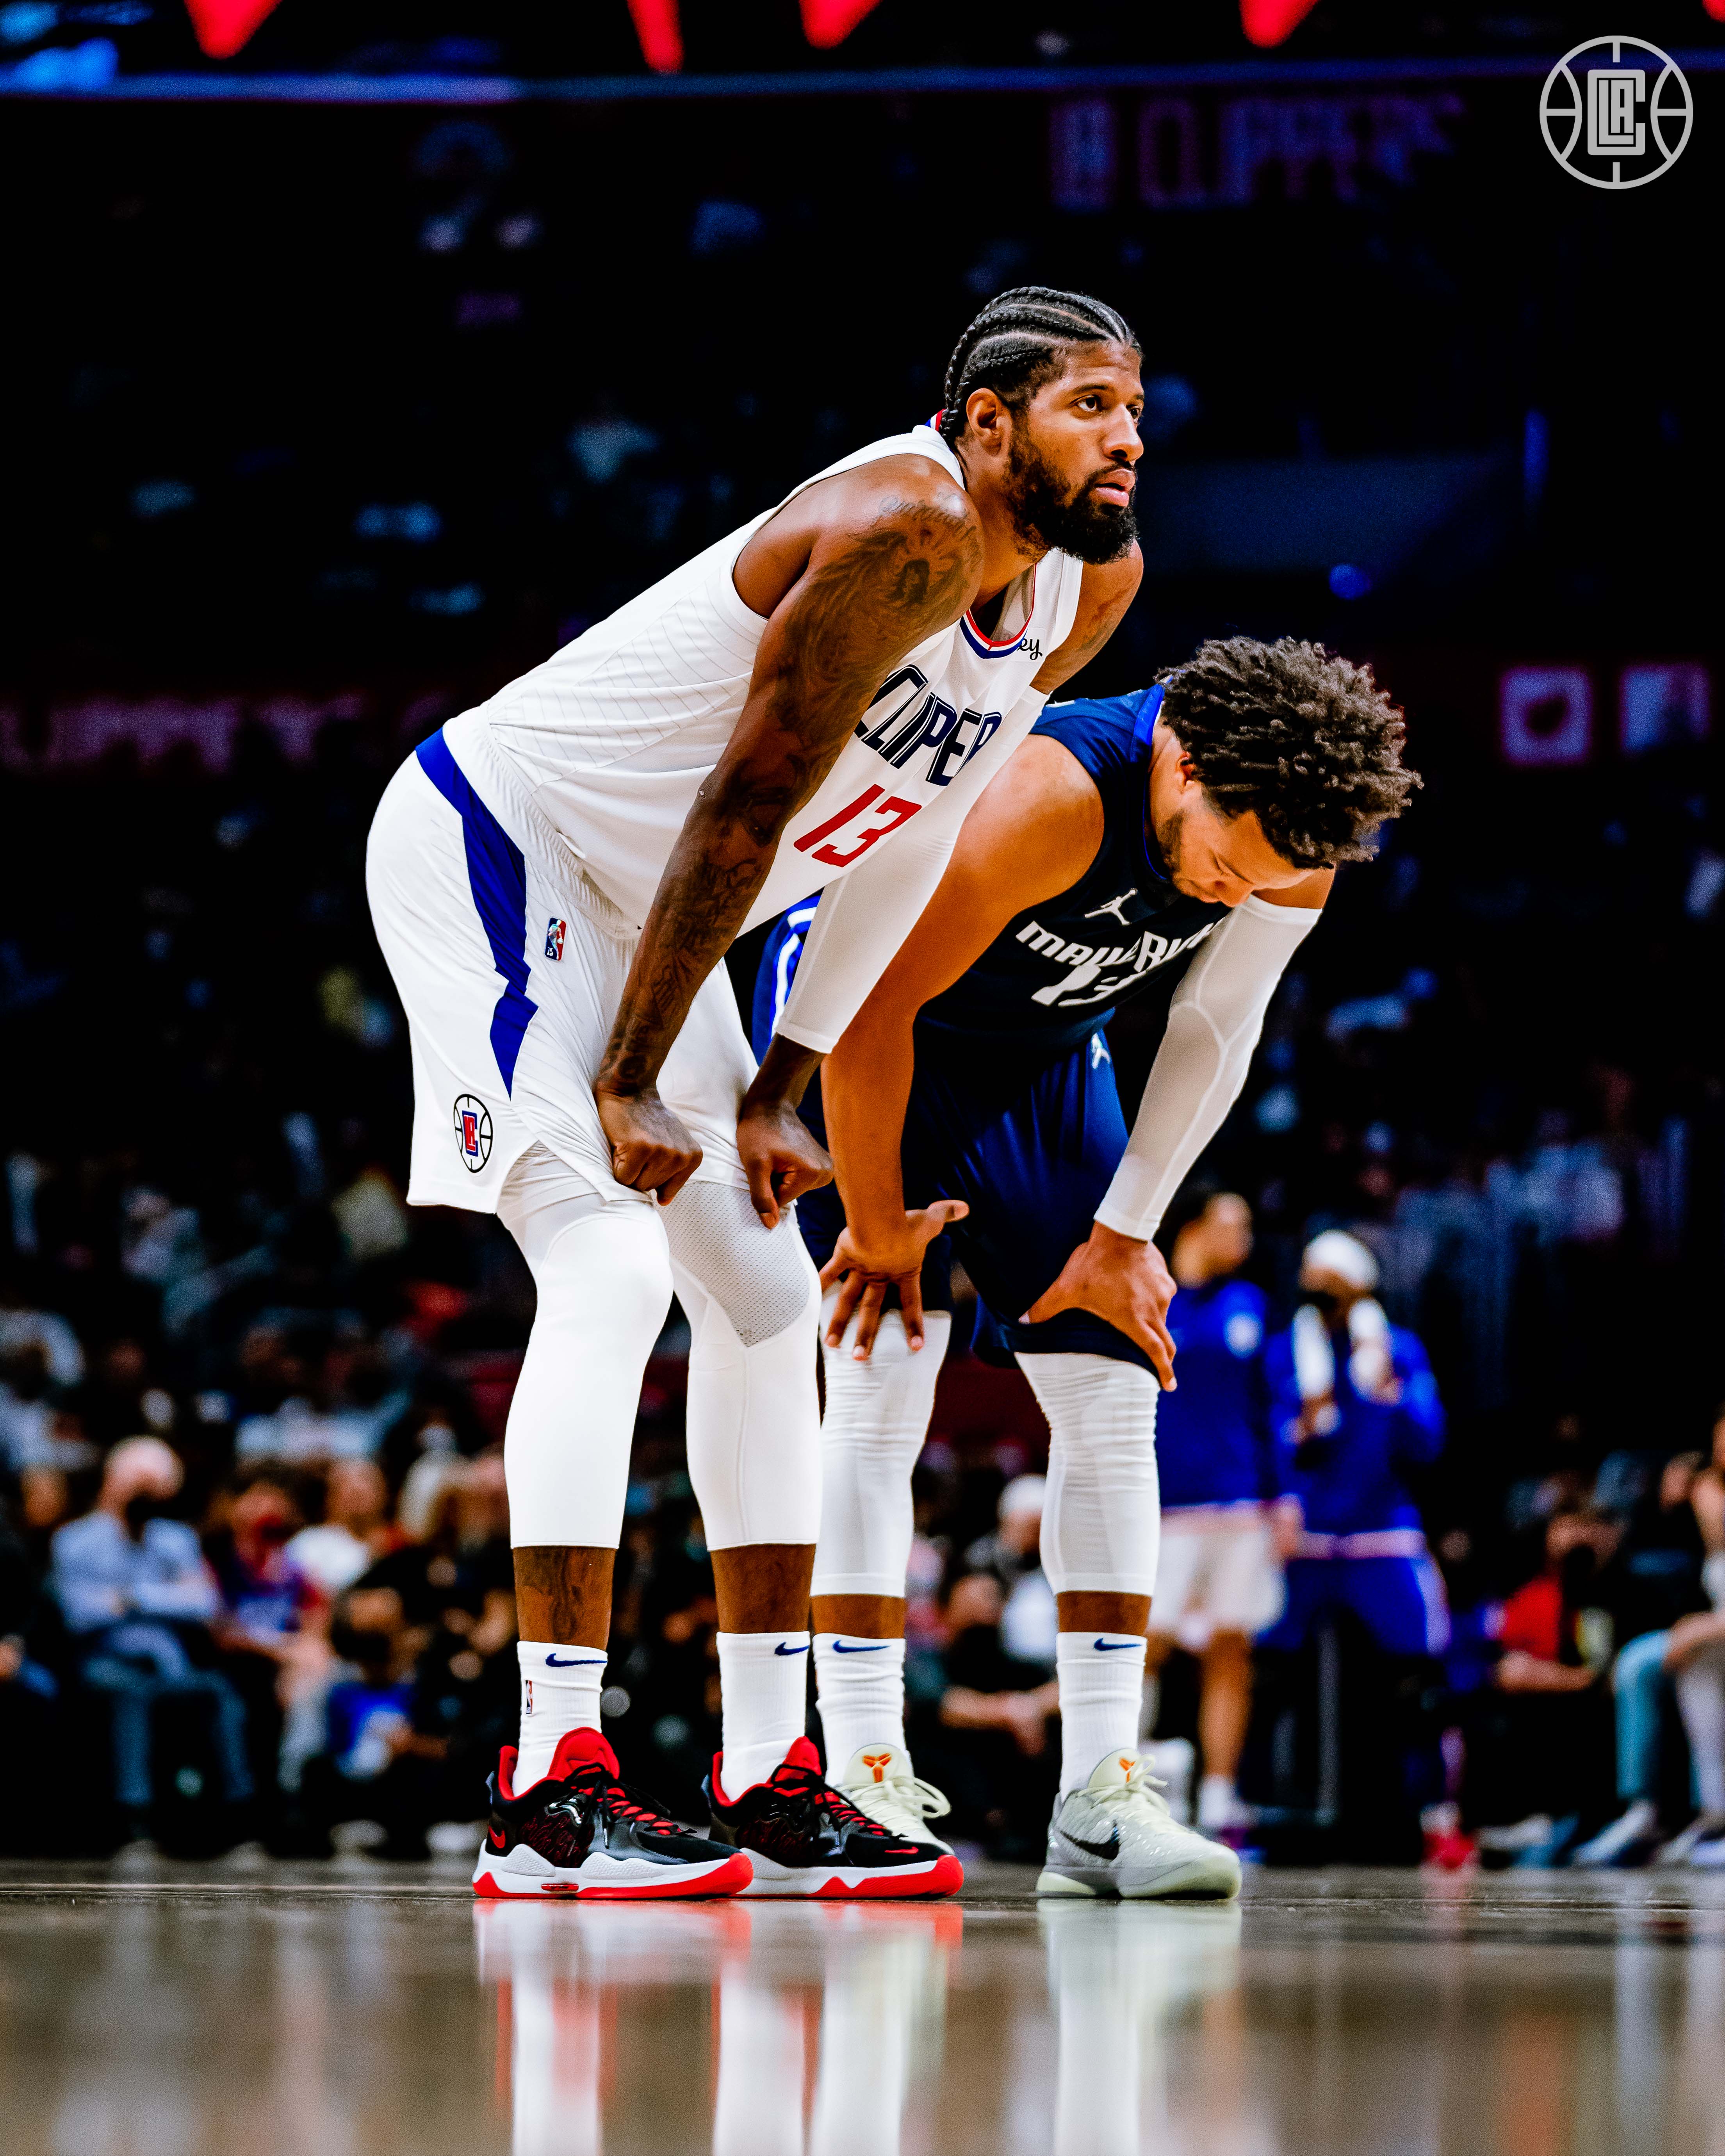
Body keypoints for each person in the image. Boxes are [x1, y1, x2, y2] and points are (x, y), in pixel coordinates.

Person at [366, 286, 1149, 1897]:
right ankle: (546, 1784)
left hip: (670, 918)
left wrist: (788, 1073)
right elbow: (746, 801)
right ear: (987, 423)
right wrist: (641, 1077)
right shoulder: (900, 525)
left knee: (767, 1297)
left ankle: (768, 1767)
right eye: (1088, 406)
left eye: (1136, 409)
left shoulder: (1083, 586)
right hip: (509, 842)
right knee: (605, 1263)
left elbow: (911, 827)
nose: (1126, 436)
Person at [755, 641, 1417, 1898]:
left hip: (1042, 1053)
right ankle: (859, 1766)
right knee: (885, 1356)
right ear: (1180, 759)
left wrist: (1123, 1231)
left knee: (1117, 1382)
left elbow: (1213, 1027)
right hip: (869, 1026)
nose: (1229, 889)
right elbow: (871, 1003)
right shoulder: (1053, 795)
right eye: (1221, 858)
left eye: (1255, 880)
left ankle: (1101, 1795)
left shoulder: (1292, 843)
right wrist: (881, 1214)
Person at [1257, 1230, 1447, 1858]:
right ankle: (1262, 1807)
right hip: (1304, 1534)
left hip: (1381, 1530)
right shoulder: (1287, 1352)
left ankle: (1431, 1812)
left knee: (1418, 1670)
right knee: (1266, 1666)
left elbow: (1426, 1441)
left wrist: (1389, 1395)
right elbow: (1273, 1442)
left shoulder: (1396, 1350)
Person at [1146, 1190, 1291, 1840]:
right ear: (1197, 1226)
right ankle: (1117, 1775)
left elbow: (1275, 1406)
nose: (1245, 1237)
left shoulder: (1251, 1305)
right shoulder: (1149, 1288)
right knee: (1145, 1645)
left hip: (1240, 1505)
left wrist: (1283, 1495)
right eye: (1234, 1223)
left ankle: (1218, 1794)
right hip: (1164, 1503)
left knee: (1232, 1648)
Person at [50, 1437, 254, 1842]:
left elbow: (204, 1603)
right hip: (107, 1662)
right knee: (132, 1692)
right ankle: (136, 1815)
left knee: (218, 1691)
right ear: (115, 1481)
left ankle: (239, 1810)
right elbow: (81, 1613)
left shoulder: (177, 1540)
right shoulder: (75, 1540)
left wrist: (132, 1597)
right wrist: (167, 1593)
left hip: (172, 1664)